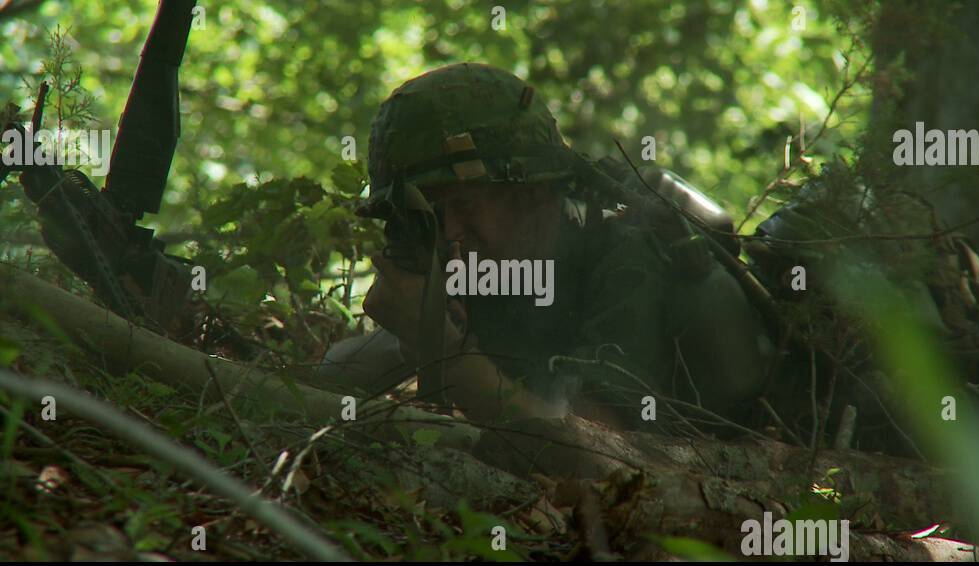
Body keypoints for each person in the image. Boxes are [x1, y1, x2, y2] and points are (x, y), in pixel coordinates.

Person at [321, 63, 777, 431]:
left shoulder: (628, 260)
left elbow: (593, 452)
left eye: (464, 203)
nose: (451, 230)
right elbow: (347, 375)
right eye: (430, 212)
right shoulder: (492, 257)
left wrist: (442, 352)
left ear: (536, 190)